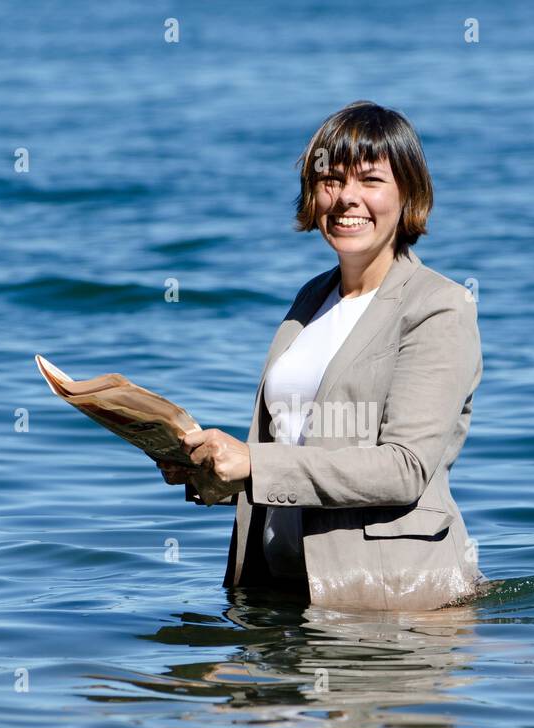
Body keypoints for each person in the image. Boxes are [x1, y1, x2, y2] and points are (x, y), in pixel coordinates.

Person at [160, 100, 485, 611]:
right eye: (330, 180)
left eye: (370, 180)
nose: (346, 198)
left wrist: (254, 464)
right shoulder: (313, 297)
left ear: (410, 194)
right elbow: (293, 444)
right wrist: (209, 471)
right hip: (279, 595)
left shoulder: (439, 305)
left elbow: (404, 468)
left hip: (391, 605)